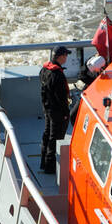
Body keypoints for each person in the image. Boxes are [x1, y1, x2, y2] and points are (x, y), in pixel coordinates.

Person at [39, 45, 71, 174]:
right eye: (66, 55)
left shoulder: (44, 70)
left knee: (47, 135)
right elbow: (61, 98)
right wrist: (65, 113)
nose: (67, 57)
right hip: (57, 112)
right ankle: (50, 167)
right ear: (60, 57)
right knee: (55, 138)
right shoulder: (57, 75)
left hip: (47, 109)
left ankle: (44, 163)